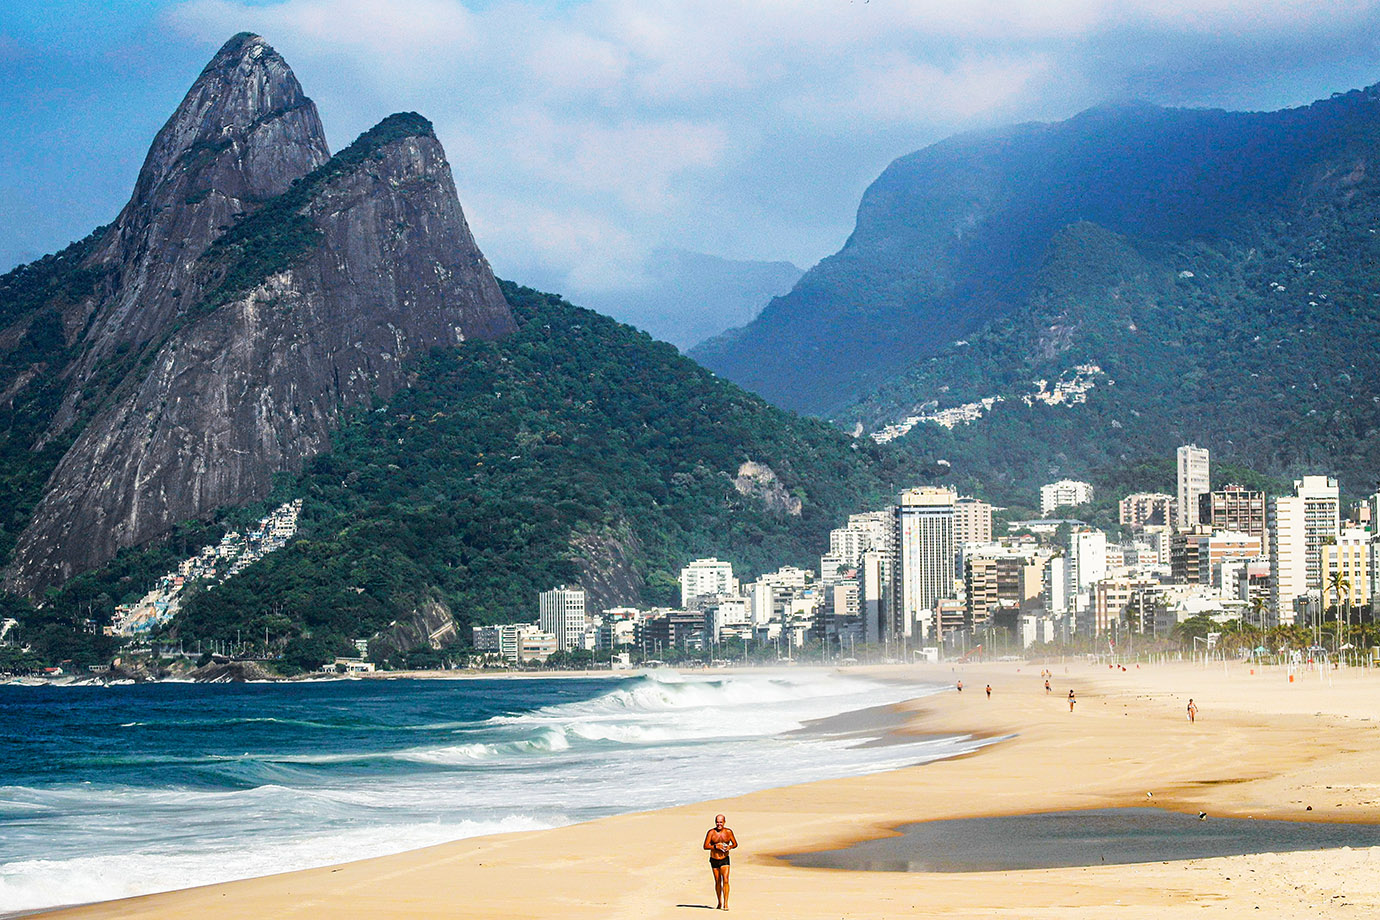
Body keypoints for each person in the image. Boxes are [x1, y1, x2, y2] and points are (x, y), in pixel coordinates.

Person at [703, 813, 738, 910]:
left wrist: (730, 847)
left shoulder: (728, 832)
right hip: (714, 859)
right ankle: (719, 902)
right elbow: (705, 846)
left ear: (724, 822)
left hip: (725, 859)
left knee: (726, 880)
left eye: (721, 822)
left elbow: (735, 844)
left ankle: (726, 903)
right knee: (718, 881)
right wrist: (715, 846)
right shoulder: (711, 832)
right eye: (717, 822)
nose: (719, 824)